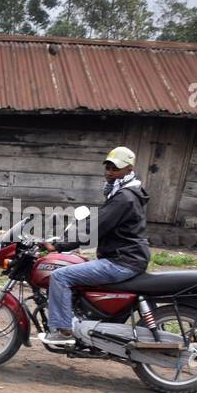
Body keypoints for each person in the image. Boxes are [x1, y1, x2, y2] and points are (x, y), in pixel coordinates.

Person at [40, 146, 150, 347]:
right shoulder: (123, 193)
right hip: (128, 257)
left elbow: (95, 228)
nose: (110, 172)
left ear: (129, 169)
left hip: (122, 261)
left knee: (60, 276)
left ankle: (63, 331)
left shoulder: (124, 197)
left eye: (115, 168)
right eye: (108, 167)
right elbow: (99, 223)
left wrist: (58, 245)